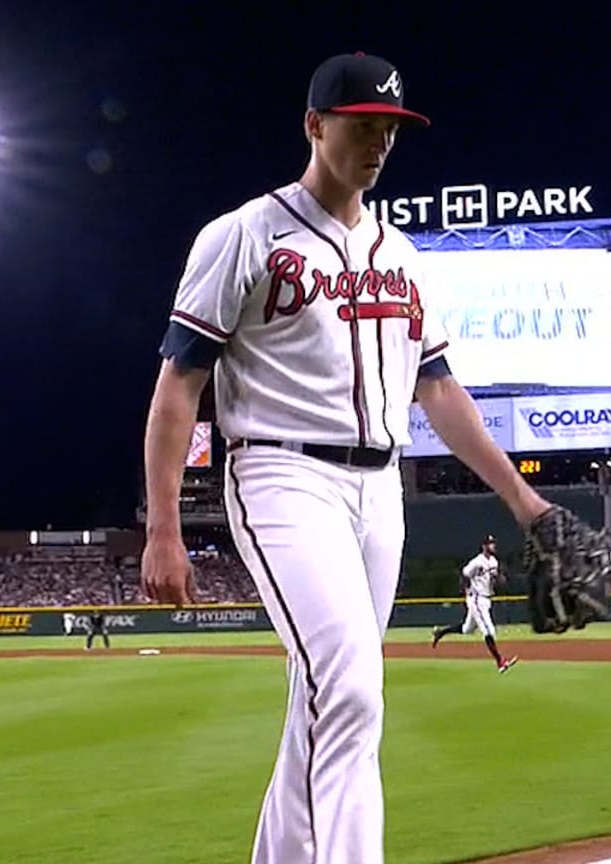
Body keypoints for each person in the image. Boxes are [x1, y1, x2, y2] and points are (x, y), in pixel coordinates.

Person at [140, 50, 556, 864]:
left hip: (379, 491)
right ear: (314, 125)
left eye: (391, 128)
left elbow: (440, 391)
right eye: (362, 125)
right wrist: (163, 525)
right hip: (280, 474)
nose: (380, 142)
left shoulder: (401, 255)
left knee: (325, 695)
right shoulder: (244, 235)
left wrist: (525, 501)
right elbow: (177, 387)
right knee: (354, 688)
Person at [430, 535, 517, 672]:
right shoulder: (477, 562)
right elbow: (465, 574)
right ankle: (500, 662)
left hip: (486, 598)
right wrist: (466, 589)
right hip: (476, 599)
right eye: (490, 544)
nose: (493, 546)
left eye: (493, 543)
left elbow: (494, 579)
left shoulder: (494, 561)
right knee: (489, 631)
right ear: (484, 546)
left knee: (467, 629)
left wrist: (499, 579)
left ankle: (440, 632)